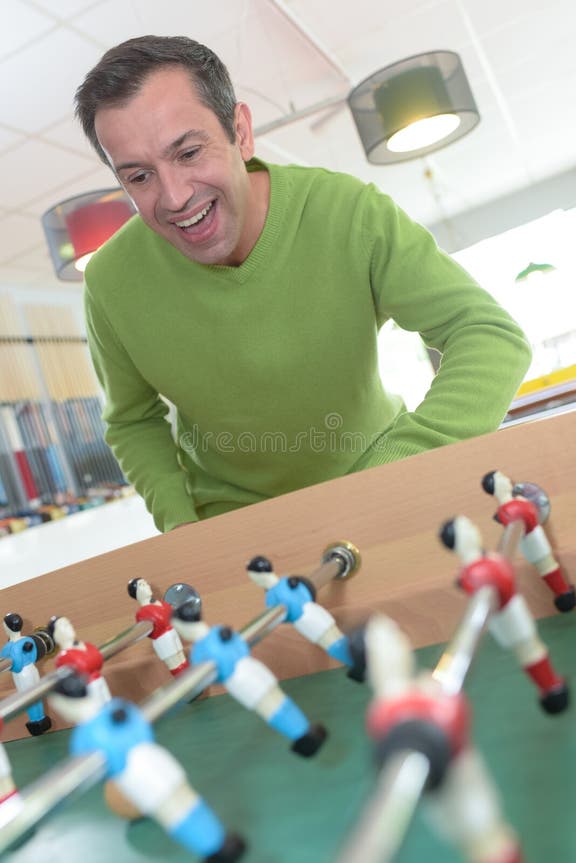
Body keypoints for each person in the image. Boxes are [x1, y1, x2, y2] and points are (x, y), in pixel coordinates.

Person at [75, 35, 532, 533]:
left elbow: (486, 333)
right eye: (139, 177)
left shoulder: (349, 212)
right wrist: (185, 529)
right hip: (235, 525)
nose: (175, 196)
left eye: (188, 152)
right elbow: (132, 421)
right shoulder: (109, 281)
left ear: (240, 132)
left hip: (379, 475)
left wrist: (405, 463)